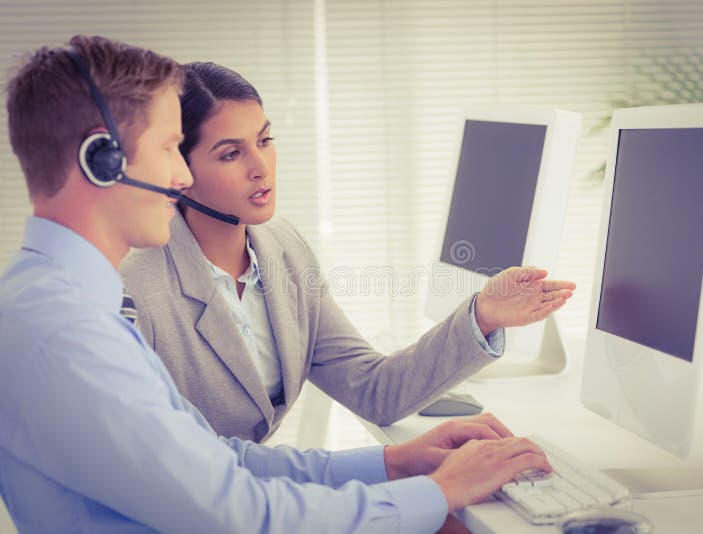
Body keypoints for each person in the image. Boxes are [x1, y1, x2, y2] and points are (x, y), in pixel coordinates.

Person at [0, 35, 552, 533]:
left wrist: (397, 464)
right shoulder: (70, 332)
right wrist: (436, 492)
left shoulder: (70, 308)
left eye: (263, 141)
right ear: (103, 161)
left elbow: (216, 461)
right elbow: (233, 511)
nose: (181, 176)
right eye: (171, 148)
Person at [119, 61, 577, 442]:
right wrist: (390, 464)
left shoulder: (284, 251)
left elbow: (374, 388)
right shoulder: (137, 289)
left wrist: (483, 315)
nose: (262, 168)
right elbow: (167, 463)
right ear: (179, 166)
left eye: (264, 140)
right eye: (231, 154)